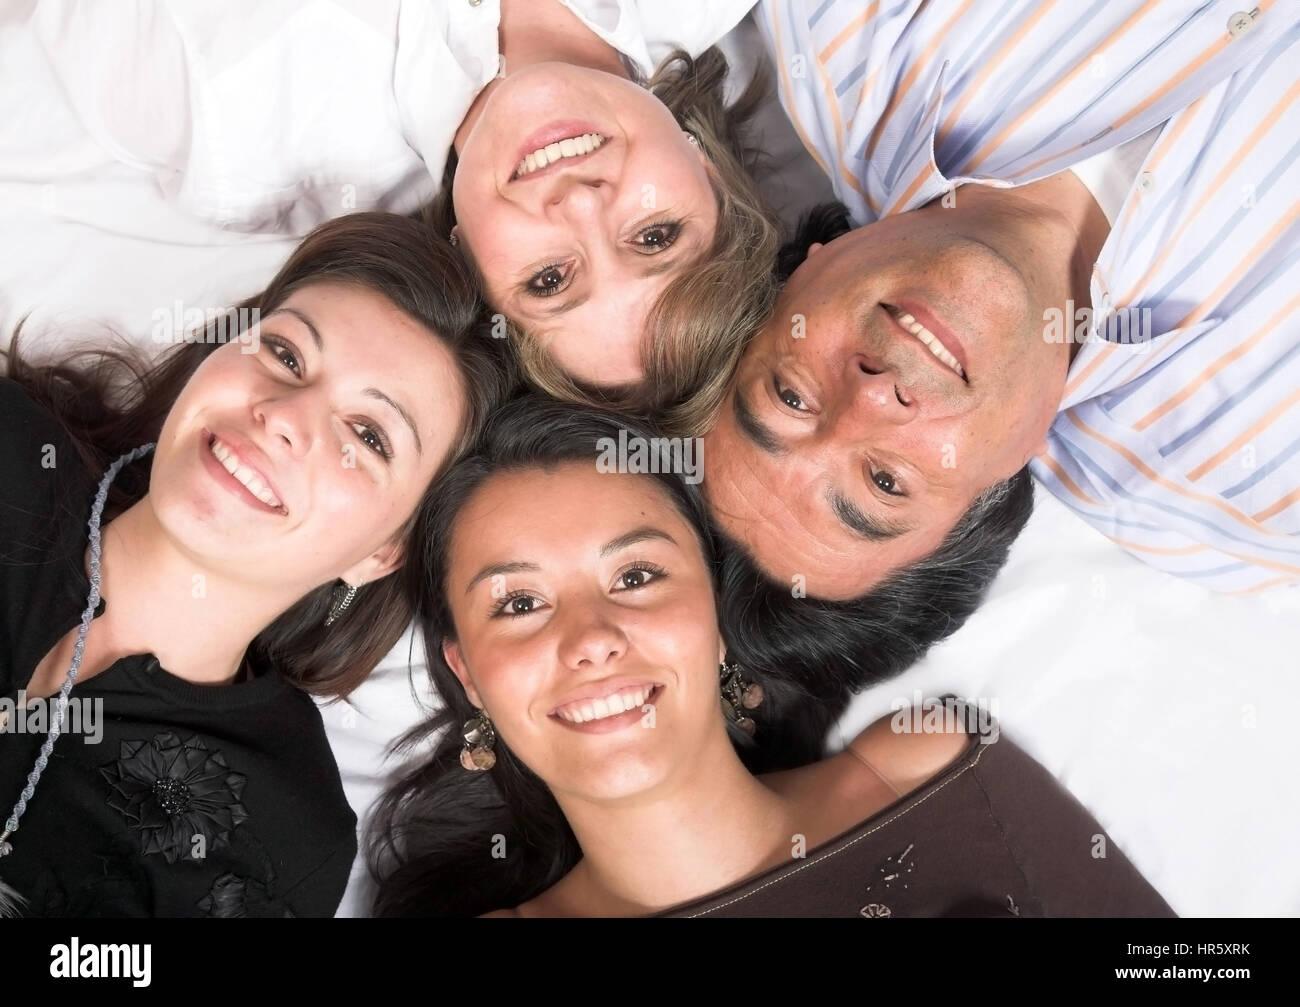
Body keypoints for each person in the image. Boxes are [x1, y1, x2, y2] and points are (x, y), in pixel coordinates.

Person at [368, 398, 1174, 917]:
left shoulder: (925, 763)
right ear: (469, 673)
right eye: (518, 604)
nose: (590, 638)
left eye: (638, 575)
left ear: (716, 615)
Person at [701, 0, 1299, 691]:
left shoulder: (851, 33)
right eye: (886, 481)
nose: (868, 395)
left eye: (792, 395)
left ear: (798, 273)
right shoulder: (1255, 487)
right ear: (993, 498)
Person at [0, 212, 513, 916]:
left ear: (384, 551)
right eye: (286, 354)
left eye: (368, 435)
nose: (284, 413)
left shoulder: (284, 840)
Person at [8, 0, 780, 432]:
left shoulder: (235, 123)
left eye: (550, 278)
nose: (579, 204)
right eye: (655, 237)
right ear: (705, 168)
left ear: (465, 257)